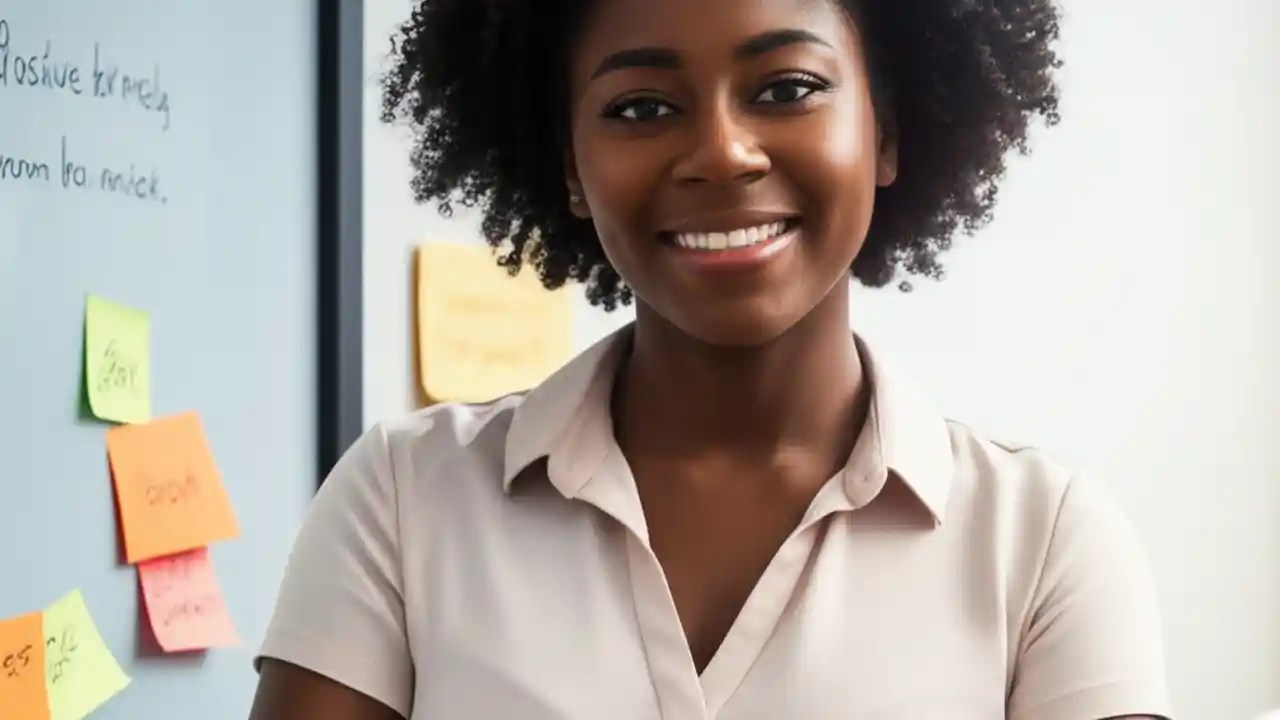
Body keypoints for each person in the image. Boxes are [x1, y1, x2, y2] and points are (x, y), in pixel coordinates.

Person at [249, 0, 1172, 717]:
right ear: (570, 165)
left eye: (786, 89)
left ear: (884, 132)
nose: (723, 154)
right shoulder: (402, 501)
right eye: (641, 106)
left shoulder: (1044, 544)